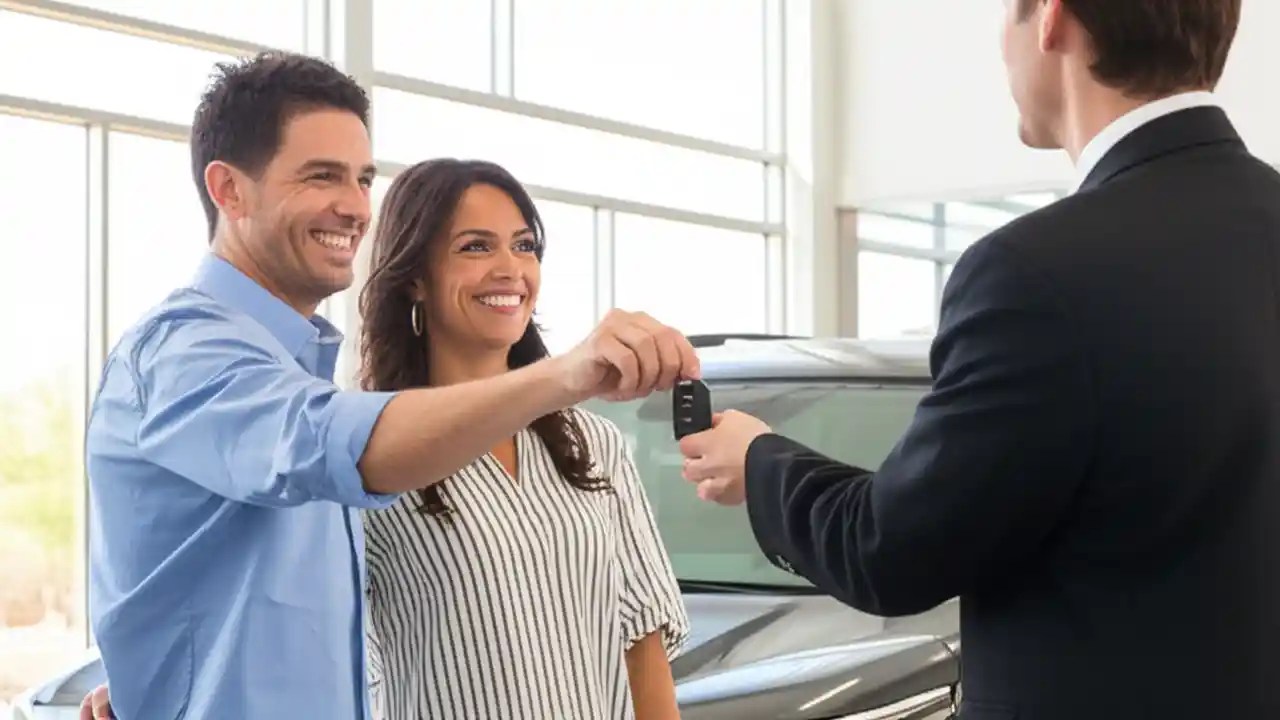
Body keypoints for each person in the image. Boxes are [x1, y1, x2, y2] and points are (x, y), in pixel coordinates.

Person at [679, 0, 1280, 718]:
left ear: (1051, 18)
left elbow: (891, 553)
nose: (1001, 46)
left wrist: (758, 462)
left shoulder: (1038, 273)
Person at [79, 51, 698, 720]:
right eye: (321, 176)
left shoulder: (297, 376)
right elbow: (332, 444)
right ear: (229, 189)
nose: (354, 207)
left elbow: (275, 618)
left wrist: (155, 679)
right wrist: (566, 374)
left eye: (363, 179)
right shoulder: (184, 353)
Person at [357, 158, 686, 720]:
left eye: (524, 245)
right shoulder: (372, 453)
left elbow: (642, 640)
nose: (510, 269)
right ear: (415, 277)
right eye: (476, 247)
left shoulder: (593, 444)